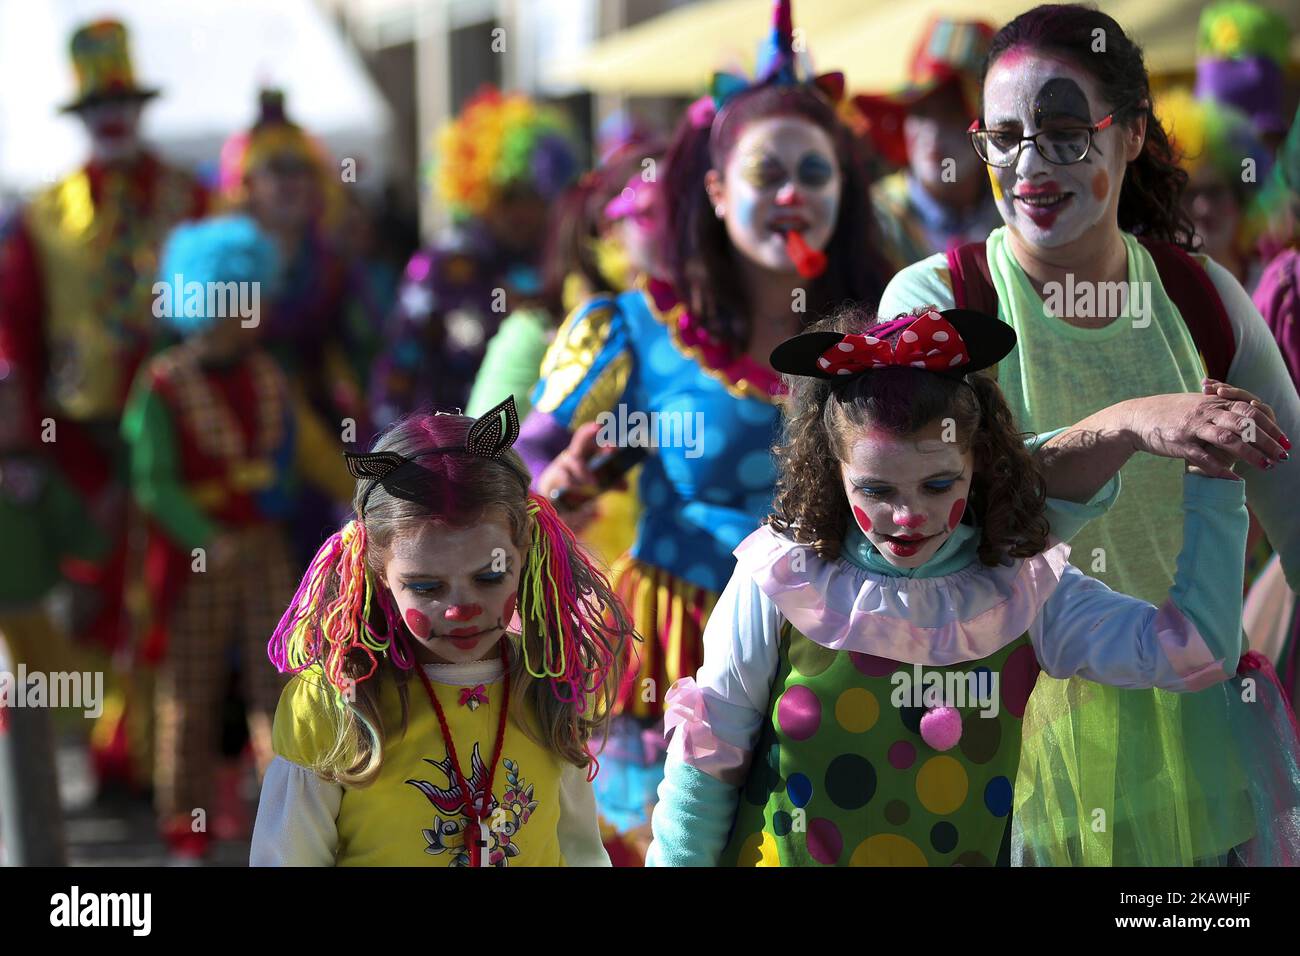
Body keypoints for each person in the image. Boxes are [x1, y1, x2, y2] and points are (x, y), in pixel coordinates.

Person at [647, 307, 1300, 866]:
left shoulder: (1023, 591)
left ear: (977, 465)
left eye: (937, 486)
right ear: (834, 469)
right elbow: (704, 774)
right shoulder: (783, 576)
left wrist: (1215, 485)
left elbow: (1195, 653)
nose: (907, 518)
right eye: (875, 490)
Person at [878, 3, 1300, 865]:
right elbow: (946, 524)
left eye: (1065, 132)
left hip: (1197, 765)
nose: (1028, 165)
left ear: (1133, 133)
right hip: (986, 758)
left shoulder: (1204, 301)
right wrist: (1132, 423)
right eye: (1003, 136)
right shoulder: (932, 306)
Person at [516, 0, 890, 859]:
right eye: (768, 175)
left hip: (835, 641)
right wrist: (561, 483)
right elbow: (535, 456)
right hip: (678, 644)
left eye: (815, 172)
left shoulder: (882, 331)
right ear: (718, 192)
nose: (793, 194)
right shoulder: (636, 327)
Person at [249, 398, 630, 865]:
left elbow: (581, 852)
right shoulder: (333, 704)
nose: (459, 610)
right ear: (375, 571)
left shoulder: (548, 683)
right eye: (426, 586)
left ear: (525, 548)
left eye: (489, 577)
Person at [120, 215, 325, 861]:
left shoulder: (268, 373)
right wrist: (204, 535)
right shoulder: (161, 383)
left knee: (283, 682)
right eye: (246, 301)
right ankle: (186, 821)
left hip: (264, 548)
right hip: (197, 559)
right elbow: (153, 482)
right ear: (209, 302)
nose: (259, 313)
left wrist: (365, 488)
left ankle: (283, 809)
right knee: (191, 687)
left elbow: (311, 448)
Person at [369, 88, 581, 431]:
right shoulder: (442, 267)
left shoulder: (558, 259)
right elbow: (398, 370)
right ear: (476, 191)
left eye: (534, 194)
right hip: (449, 453)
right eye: (507, 195)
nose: (522, 211)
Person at [854, 17, 1003, 269]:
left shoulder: (1018, 209)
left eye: (953, 113)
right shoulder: (870, 221)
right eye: (920, 112)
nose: (932, 131)